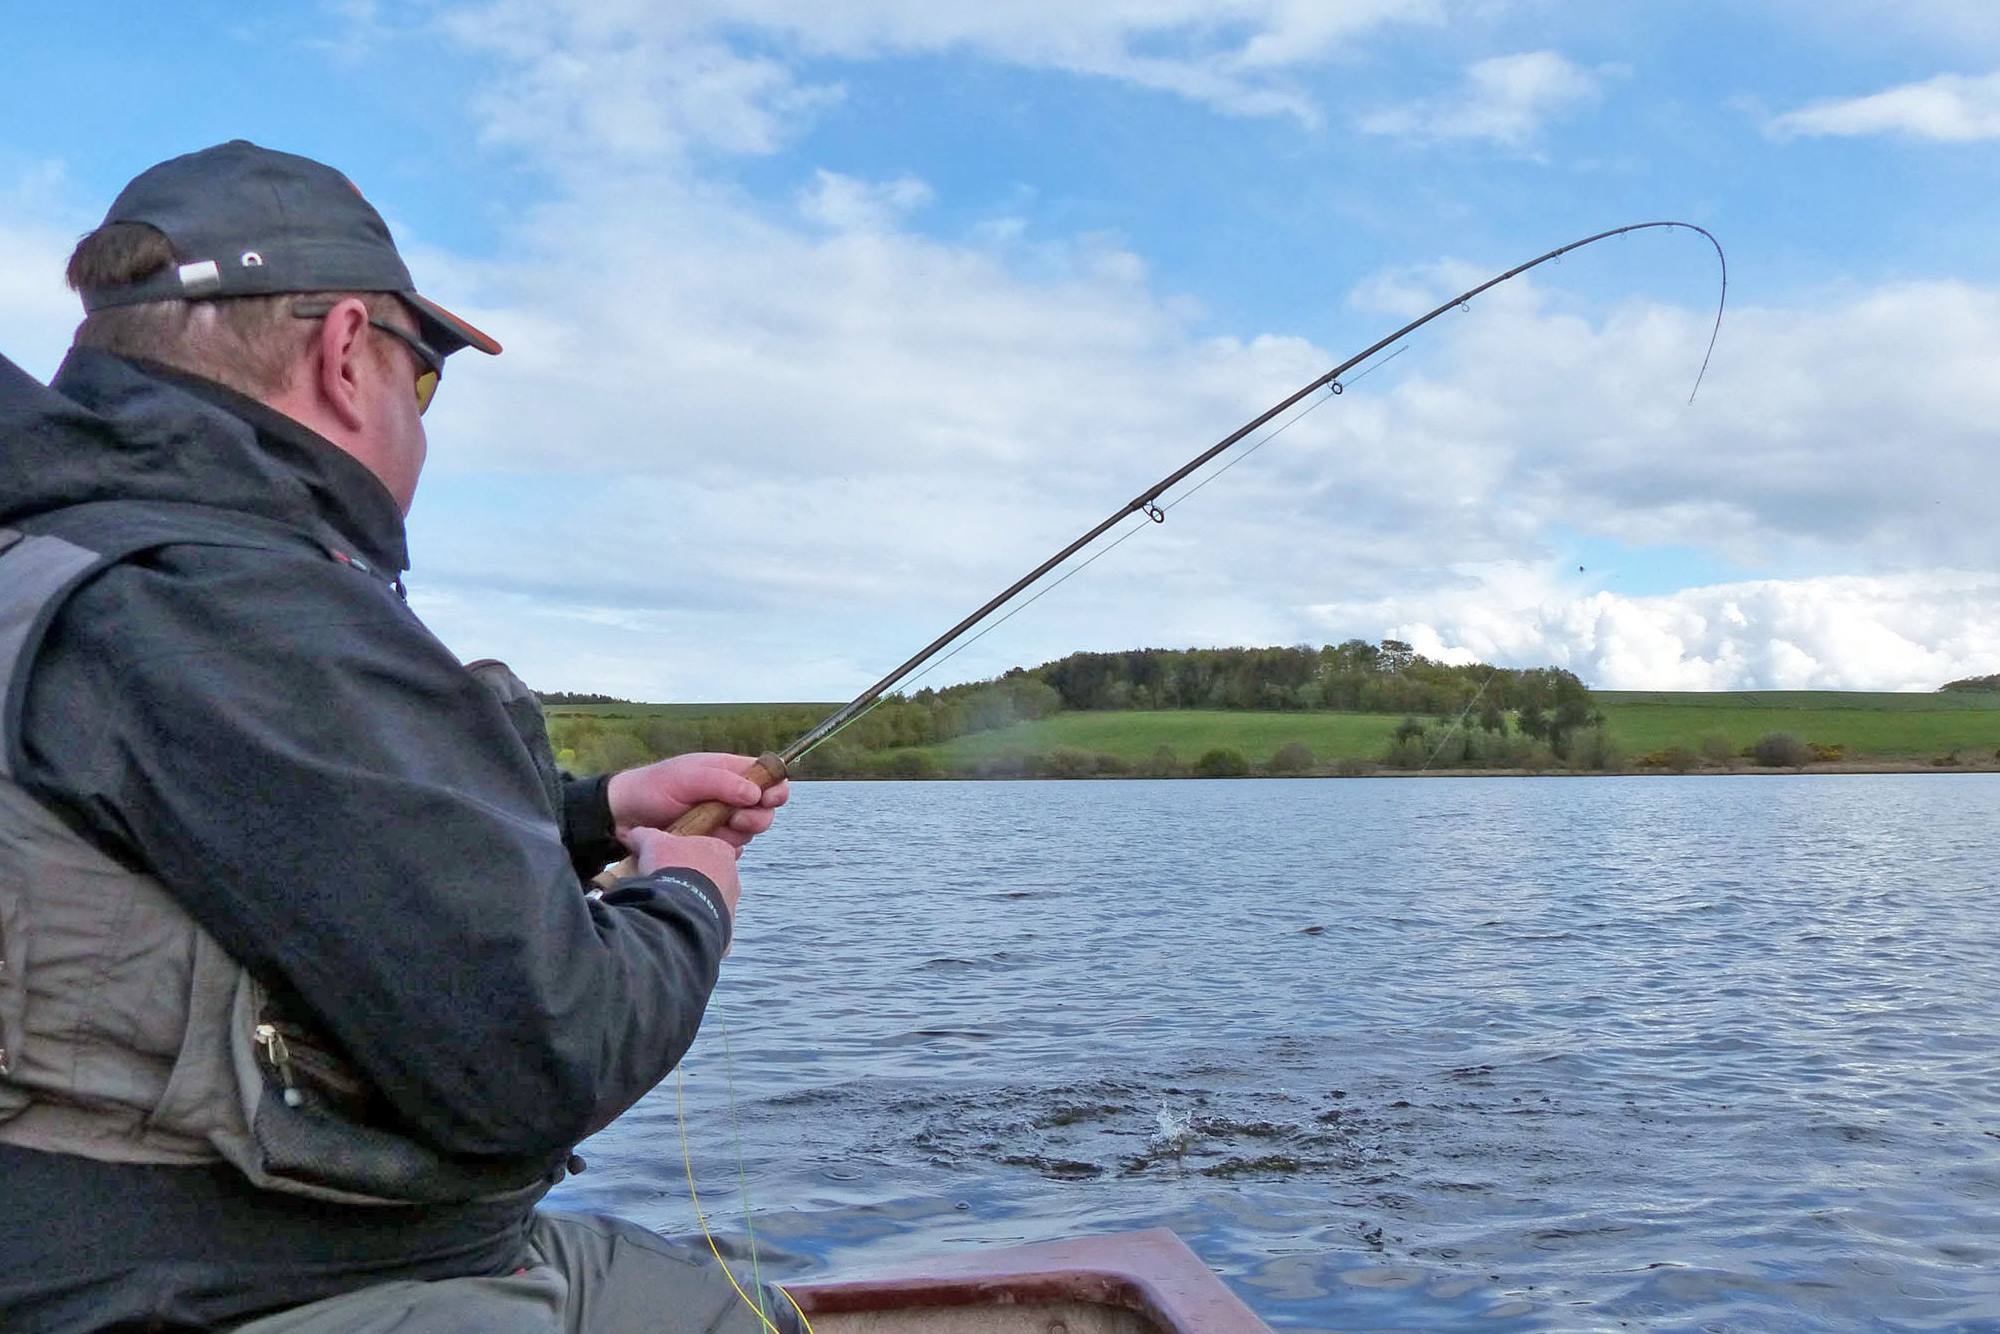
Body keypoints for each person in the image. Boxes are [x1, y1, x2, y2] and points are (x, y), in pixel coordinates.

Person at [0, 140, 804, 1333]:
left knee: (731, 1306)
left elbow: (275, 848)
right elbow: (544, 1054)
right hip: (209, 1285)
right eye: (421, 377)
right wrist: (689, 890)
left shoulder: (90, 566)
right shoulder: (225, 603)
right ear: (342, 355)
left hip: (216, 1250)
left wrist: (596, 812)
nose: (419, 421)